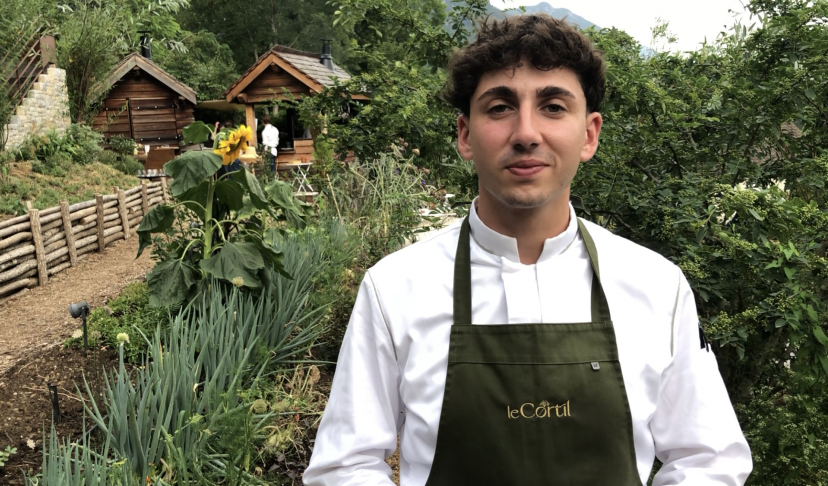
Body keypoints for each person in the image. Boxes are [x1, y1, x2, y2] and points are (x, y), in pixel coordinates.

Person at [303, 14, 752, 486]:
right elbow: (345, 466)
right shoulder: (394, 289)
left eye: (553, 106)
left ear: (590, 134)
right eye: (499, 107)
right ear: (464, 135)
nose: (526, 133)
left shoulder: (657, 287)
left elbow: (709, 460)